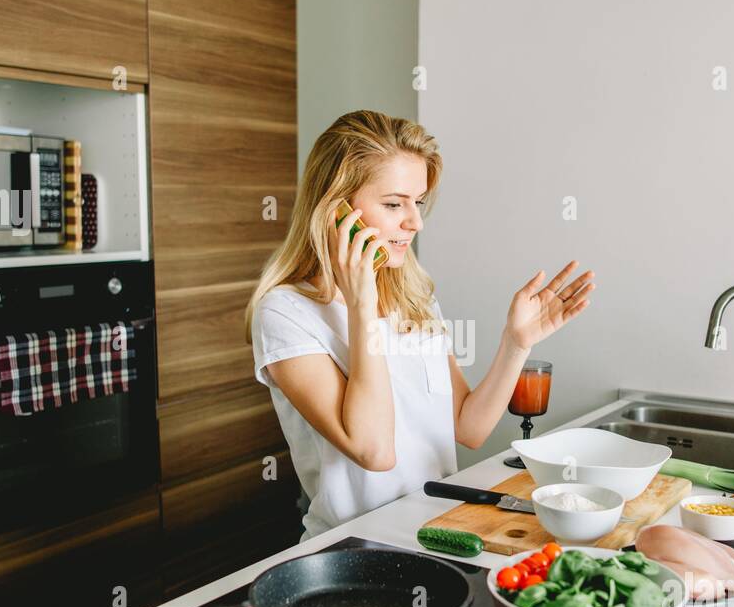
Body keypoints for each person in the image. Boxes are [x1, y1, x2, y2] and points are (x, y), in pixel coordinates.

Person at [246, 110, 595, 541]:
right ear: (335, 209)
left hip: (438, 535)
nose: (416, 222)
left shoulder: (414, 296)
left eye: (419, 202)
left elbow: (468, 429)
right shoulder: (285, 313)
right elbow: (374, 451)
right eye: (394, 204)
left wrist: (515, 342)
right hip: (354, 551)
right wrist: (362, 307)